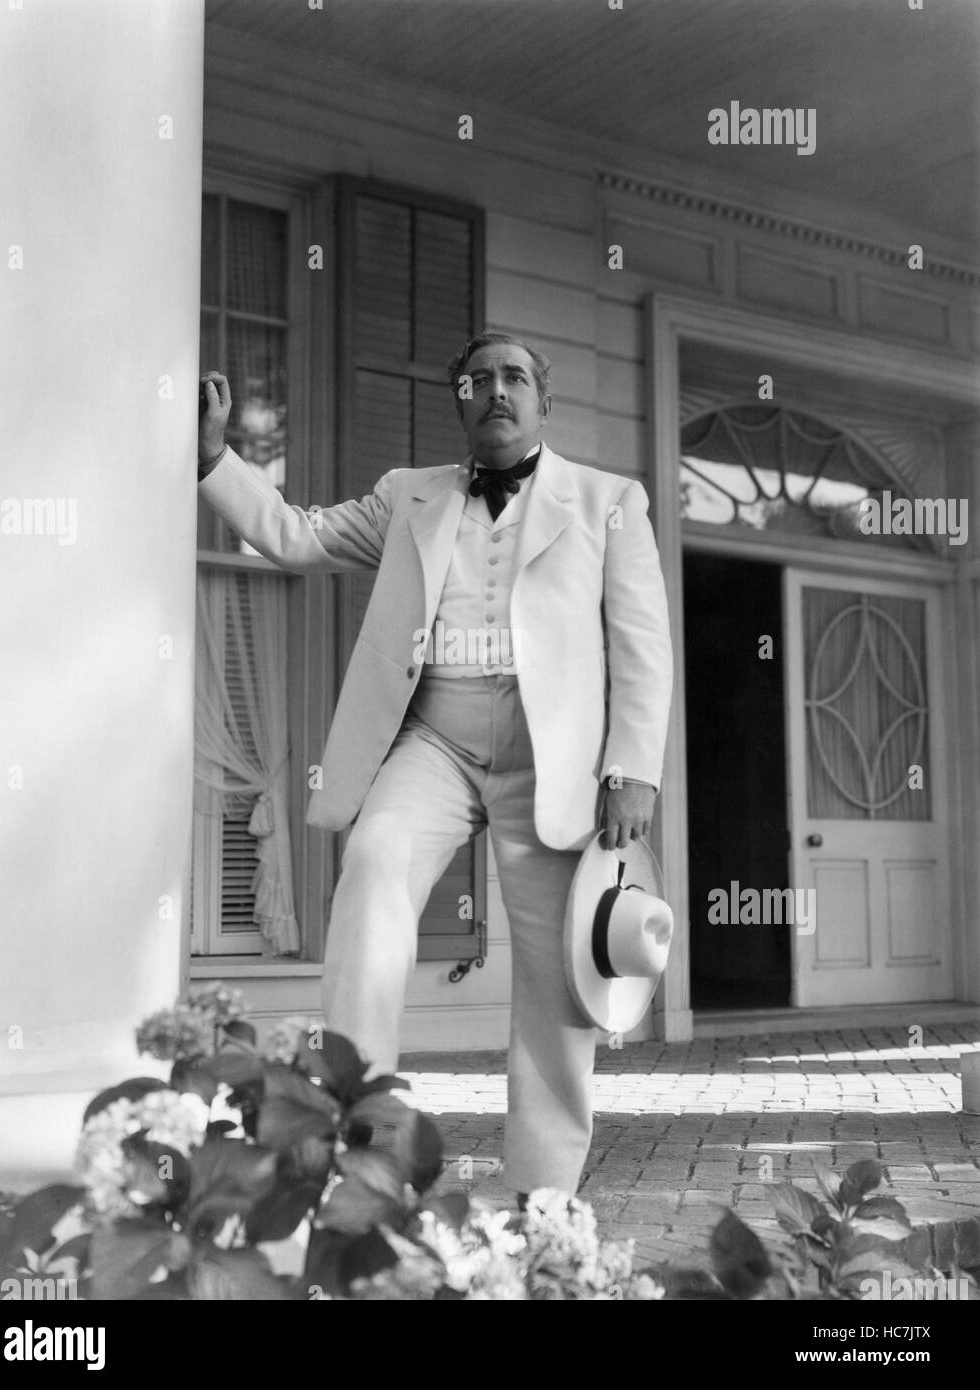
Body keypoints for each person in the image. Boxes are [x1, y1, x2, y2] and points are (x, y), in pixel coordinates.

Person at [196, 333, 673, 1196]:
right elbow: (295, 538)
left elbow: (642, 645)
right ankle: (355, 1137)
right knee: (373, 863)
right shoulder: (405, 497)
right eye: (479, 379)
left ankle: (545, 1199)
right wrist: (216, 460)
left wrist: (632, 767)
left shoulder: (609, 503)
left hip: (550, 762)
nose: (497, 390)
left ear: (542, 399)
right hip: (437, 743)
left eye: (515, 378)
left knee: (557, 979)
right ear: (458, 399)